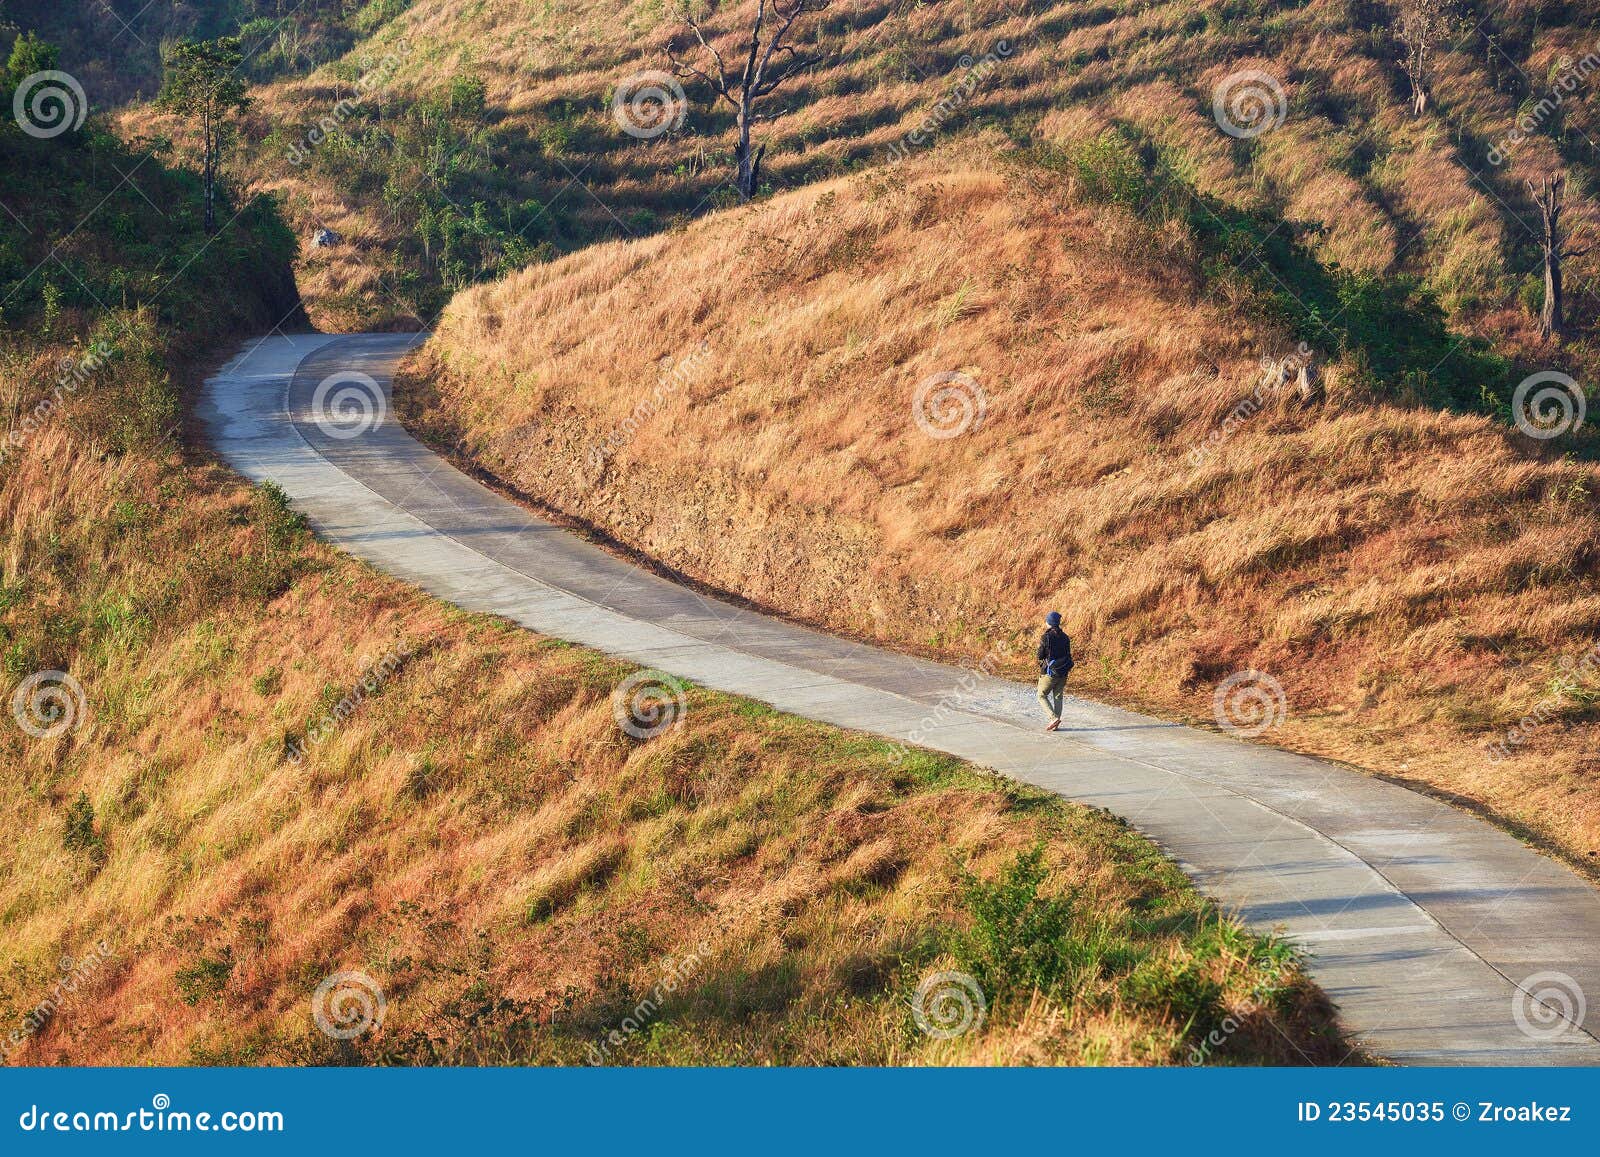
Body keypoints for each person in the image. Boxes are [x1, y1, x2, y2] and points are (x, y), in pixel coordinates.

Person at [1036, 611, 1073, 731]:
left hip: (1050, 672)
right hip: (1063, 671)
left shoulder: (1046, 637)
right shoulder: (1065, 637)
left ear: (1049, 623)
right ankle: (1055, 723)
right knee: (1058, 696)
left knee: (1041, 695)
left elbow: (1040, 655)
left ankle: (1053, 718)